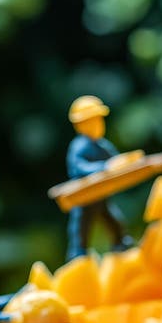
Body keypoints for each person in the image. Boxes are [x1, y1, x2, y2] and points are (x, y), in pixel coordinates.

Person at [65, 95, 134, 262]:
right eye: (92, 122)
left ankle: (120, 244)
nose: (98, 125)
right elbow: (78, 167)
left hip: (100, 194)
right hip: (85, 197)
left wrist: (124, 162)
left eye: (99, 121)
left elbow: (114, 159)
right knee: (81, 227)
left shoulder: (101, 145)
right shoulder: (79, 147)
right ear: (80, 126)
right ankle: (78, 257)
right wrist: (104, 168)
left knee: (113, 220)